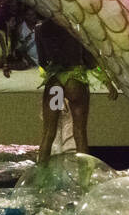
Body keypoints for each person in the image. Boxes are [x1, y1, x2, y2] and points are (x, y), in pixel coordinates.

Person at [31, 19, 118, 165]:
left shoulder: (41, 28)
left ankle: (41, 180)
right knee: (79, 133)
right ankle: (84, 182)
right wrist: (107, 82)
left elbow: (42, 61)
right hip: (75, 82)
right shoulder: (77, 27)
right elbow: (91, 60)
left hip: (55, 85)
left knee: (48, 133)